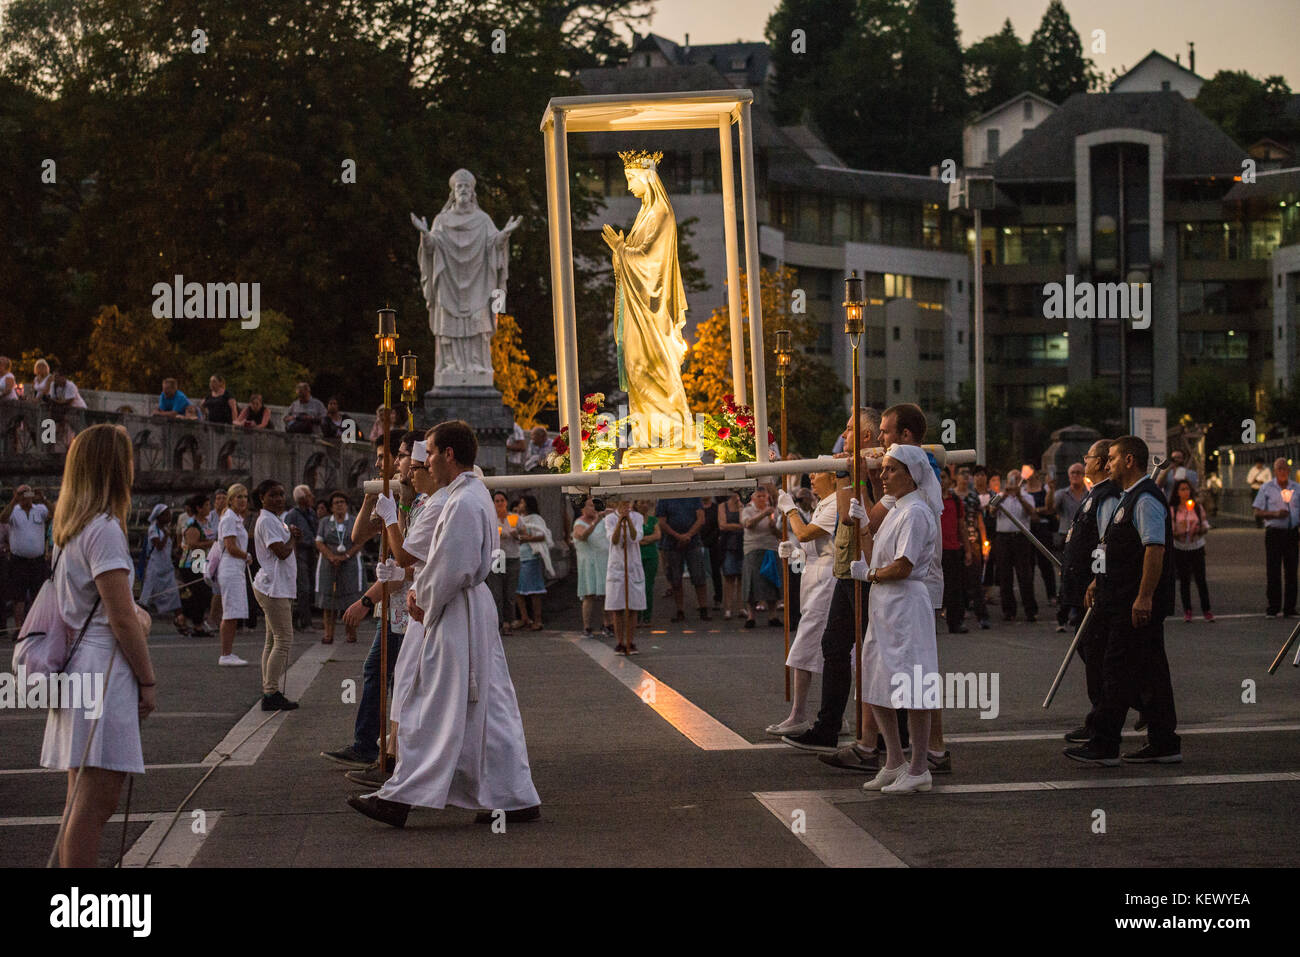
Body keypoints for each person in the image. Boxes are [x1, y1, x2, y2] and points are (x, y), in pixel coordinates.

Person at [348, 420, 540, 828]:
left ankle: (400, 797)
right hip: (464, 608)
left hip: (454, 611)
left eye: (431, 452)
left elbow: (451, 566)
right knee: (490, 707)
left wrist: (423, 597)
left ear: (449, 455)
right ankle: (514, 795)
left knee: (429, 702)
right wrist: (425, 590)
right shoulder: (467, 496)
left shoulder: (463, 502)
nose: (426, 461)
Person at [39, 425, 157, 867]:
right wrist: (148, 679)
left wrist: (133, 615)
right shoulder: (104, 528)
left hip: (79, 667)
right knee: (96, 805)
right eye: (127, 457)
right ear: (112, 466)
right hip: (102, 668)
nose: (133, 466)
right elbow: (122, 617)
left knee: (79, 801)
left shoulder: (70, 527)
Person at [1068, 435, 1180, 765]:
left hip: (1133, 604)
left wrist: (1144, 597)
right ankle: (1164, 741)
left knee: (1115, 671)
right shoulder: (1127, 498)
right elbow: (1112, 546)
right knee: (1152, 673)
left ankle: (1104, 745)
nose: (1108, 464)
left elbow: (1154, 549)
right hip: (1119, 597)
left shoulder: (1145, 499)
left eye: (1113, 458)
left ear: (1129, 460)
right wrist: (1096, 579)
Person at [782, 408, 881, 759]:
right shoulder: (852, 468)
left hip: (864, 567)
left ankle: (880, 735)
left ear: (867, 437)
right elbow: (844, 511)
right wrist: (844, 474)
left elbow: (856, 515)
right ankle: (828, 725)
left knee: (869, 653)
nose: (845, 433)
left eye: (851, 429)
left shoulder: (878, 468)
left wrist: (847, 474)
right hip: (844, 567)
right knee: (834, 648)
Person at [320, 431, 413, 776]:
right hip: (392, 605)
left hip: (406, 604)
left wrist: (364, 599)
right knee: (380, 673)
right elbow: (358, 535)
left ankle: (392, 757)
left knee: (400, 681)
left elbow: (405, 565)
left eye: (386, 457)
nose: (378, 464)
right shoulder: (391, 496)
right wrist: (370, 496)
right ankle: (370, 747)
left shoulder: (411, 499)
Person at [850, 444, 941, 794]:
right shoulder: (897, 511)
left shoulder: (916, 511)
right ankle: (894, 760)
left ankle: (919, 767)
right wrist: (862, 531)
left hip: (905, 604)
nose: (883, 475)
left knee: (913, 684)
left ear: (911, 474)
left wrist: (869, 576)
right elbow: (877, 558)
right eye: (883, 469)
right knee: (875, 680)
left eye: (890, 469)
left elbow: (902, 566)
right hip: (885, 604)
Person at [768, 470, 838, 736]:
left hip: (826, 583)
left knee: (804, 648)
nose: (812, 476)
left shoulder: (835, 504)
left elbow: (807, 533)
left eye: (819, 472)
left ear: (833, 478)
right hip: (813, 579)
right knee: (827, 653)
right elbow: (813, 548)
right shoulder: (823, 504)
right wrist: (794, 552)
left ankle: (798, 714)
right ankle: (833, 714)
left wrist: (789, 510)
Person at [1059, 439, 1120, 744]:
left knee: (1096, 654)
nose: (1086, 461)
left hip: (1093, 591)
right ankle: (1104, 712)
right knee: (1090, 651)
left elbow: (1106, 542)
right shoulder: (1092, 494)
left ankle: (1103, 719)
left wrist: (1097, 576)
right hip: (1080, 587)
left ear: (1103, 461)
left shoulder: (1108, 497)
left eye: (1090, 456)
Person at [252, 480, 302, 709]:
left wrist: (290, 534)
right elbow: (281, 552)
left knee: (272, 640)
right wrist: (292, 537)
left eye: (282, 494)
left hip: (275, 585)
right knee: (284, 639)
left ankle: (268, 687)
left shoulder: (274, 520)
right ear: (262, 497)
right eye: (273, 495)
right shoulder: (267, 521)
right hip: (274, 588)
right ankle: (271, 692)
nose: (279, 499)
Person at [1252, 457, 1300, 618]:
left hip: (1292, 532)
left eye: (1285, 469)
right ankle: (1273, 607)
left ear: (1289, 471)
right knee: (1273, 570)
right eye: (1279, 469)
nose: (1282, 472)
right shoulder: (1266, 488)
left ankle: (1290, 607)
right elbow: (1257, 511)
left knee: (1292, 570)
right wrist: (1274, 514)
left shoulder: (1296, 488)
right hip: (1274, 532)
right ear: (1274, 471)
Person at [316, 491, 364, 644]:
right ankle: (328, 634)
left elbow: (360, 541)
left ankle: (351, 633)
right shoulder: (325, 522)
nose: (339, 505)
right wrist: (331, 556)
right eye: (336, 503)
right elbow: (319, 541)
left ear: (347, 505)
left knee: (350, 599)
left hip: (349, 564)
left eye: (342, 502)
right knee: (328, 601)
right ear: (331, 507)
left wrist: (346, 556)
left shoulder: (355, 520)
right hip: (329, 564)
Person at [657, 495, 711, 623]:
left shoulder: (694, 496)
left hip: (693, 542)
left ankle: (703, 607)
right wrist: (677, 536)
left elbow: (701, 519)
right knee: (676, 578)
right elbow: (662, 522)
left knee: (699, 576)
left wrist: (688, 535)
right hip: (672, 543)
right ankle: (680, 610)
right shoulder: (664, 498)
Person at [3, 484, 49, 631]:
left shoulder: (40, 509)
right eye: (23, 494)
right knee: (19, 597)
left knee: (39, 595)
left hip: (37, 561)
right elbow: (3, 518)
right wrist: (14, 500)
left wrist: (44, 499)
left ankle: (38, 626)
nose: (26, 497)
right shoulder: (14, 511)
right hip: (19, 561)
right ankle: (19, 629)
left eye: (27, 493)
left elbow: (55, 514)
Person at [215, 485, 253, 666]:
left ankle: (228, 652)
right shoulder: (229, 518)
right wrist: (246, 555)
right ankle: (225, 653)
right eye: (238, 497)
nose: (243, 500)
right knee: (230, 611)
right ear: (230, 499)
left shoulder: (235, 518)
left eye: (245, 497)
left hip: (236, 567)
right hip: (231, 566)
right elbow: (230, 546)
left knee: (234, 611)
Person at [994, 470, 1038, 622]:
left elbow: (1031, 513)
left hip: (1021, 538)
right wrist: (1004, 495)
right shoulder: (1000, 496)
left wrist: (1019, 496)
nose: (1014, 482)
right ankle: (1008, 610)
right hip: (1003, 538)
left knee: (1024, 575)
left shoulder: (1027, 496)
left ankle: (1030, 609)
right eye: (1011, 479)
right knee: (1005, 575)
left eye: (1017, 479)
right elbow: (992, 511)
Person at [605, 498, 646, 655]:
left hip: (632, 564)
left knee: (633, 606)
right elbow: (614, 540)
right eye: (622, 503)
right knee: (617, 606)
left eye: (627, 503)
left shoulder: (637, 517)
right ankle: (619, 641)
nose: (625, 506)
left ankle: (631, 640)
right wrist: (619, 522)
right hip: (617, 565)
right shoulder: (609, 519)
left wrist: (628, 520)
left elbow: (636, 537)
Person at [138, 503, 187, 632]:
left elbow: (167, 549)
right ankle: (138, 622)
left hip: (166, 568)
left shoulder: (165, 529)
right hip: (155, 569)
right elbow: (158, 546)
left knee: (174, 594)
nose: (169, 516)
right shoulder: (153, 529)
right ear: (159, 516)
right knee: (146, 598)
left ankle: (180, 620)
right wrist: (166, 535)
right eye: (166, 514)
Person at [1170, 479, 1213, 623]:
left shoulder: (1196, 507)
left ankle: (1206, 609)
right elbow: (1170, 530)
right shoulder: (1173, 509)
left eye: (1187, 489)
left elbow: (1205, 523)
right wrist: (1178, 532)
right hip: (1180, 548)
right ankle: (1187, 610)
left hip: (1196, 546)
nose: (1185, 492)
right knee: (1184, 580)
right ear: (1177, 492)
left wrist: (1201, 530)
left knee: (1201, 579)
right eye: (1182, 489)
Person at [1053, 463, 1089, 632]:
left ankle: (1077, 613)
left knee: (1081, 577)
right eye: (1073, 472)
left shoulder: (1089, 494)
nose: (1076, 475)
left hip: (1083, 540)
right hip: (1065, 537)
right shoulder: (1062, 494)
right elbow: (1050, 509)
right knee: (1065, 577)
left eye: (1079, 472)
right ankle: (1062, 616)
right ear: (1068, 475)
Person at [176, 494, 217, 640]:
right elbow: (192, 544)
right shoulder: (192, 525)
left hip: (202, 561)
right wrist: (211, 544)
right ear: (199, 508)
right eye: (206, 505)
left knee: (202, 594)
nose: (209, 508)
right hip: (192, 562)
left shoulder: (207, 522)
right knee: (200, 593)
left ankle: (188, 620)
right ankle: (194, 623)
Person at [572, 496, 613, 638]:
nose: (593, 508)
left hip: (602, 561)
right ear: (583, 508)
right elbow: (581, 536)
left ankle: (607, 624)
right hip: (588, 564)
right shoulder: (579, 523)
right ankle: (587, 626)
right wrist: (596, 521)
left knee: (605, 594)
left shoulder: (603, 521)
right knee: (589, 595)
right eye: (590, 505)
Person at [739, 488, 780, 627]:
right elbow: (748, 524)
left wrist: (773, 526)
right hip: (753, 548)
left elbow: (779, 532)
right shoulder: (748, 510)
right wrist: (763, 514)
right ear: (753, 498)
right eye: (759, 496)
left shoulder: (773, 511)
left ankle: (772, 614)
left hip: (770, 547)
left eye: (764, 496)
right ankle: (751, 616)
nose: (762, 499)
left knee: (771, 581)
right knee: (751, 581)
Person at [938, 468, 971, 634]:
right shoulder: (930, 499)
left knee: (954, 588)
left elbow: (962, 525)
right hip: (935, 551)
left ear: (950, 481)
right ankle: (931, 625)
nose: (941, 481)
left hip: (952, 549)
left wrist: (967, 550)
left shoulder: (955, 500)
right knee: (932, 588)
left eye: (944, 477)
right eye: (938, 477)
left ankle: (955, 622)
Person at [956, 467, 990, 629]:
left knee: (975, 580)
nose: (964, 478)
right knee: (958, 581)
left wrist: (984, 542)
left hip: (972, 539)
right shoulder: (951, 496)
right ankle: (958, 615)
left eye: (966, 476)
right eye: (961, 475)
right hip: (956, 542)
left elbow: (979, 520)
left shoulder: (973, 496)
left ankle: (982, 615)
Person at [283, 485, 318, 631]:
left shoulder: (311, 513)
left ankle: (302, 618)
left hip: (311, 551)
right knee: (303, 588)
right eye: (309, 495)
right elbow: (287, 535)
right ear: (302, 499)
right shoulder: (292, 515)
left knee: (310, 588)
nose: (312, 498)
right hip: (299, 552)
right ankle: (305, 622)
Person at [514, 495, 550, 629]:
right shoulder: (518, 519)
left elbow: (543, 535)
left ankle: (537, 619)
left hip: (531, 557)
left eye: (522, 502)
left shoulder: (536, 519)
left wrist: (526, 538)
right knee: (518, 590)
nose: (520, 504)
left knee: (534, 590)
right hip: (519, 556)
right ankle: (524, 617)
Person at [488, 491, 521, 633]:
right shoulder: (490, 519)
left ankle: (509, 621)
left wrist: (516, 535)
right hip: (497, 556)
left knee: (510, 593)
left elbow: (525, 534)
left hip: (512, 556)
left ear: (506, 502)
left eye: (502, 500)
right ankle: (499, 622)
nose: (500, 503)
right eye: (497, 501)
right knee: (497, 593)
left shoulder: (514, 518)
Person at [1025, 468, 1057, 605]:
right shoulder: (1022, 490)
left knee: (1045, 563)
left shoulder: (1044, 488)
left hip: (1042, 528)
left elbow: (1049, 508)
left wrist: (1035, 511)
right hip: (1027, 528)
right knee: (1028, 564)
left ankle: (1052, 595)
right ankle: (1028, 596)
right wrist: (1036, 511)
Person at [716, 492, 745, 620]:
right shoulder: (722, 506)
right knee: (729, 578)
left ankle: (741, 607)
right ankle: (728, 608)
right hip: (728, 545)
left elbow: (744, 522)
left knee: (741, 578)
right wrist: (738, 526)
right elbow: (722, 525)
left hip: (742, 544)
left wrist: (740, 509)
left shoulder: (743, 506)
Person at [635, 499, 662, 624]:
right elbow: (633, 538)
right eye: (642, 503)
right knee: (637, 586)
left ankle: (647, 616)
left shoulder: (652, 520)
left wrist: (644, 539)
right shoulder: (633, 520)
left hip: (651, 556)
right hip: (637, 556)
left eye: (647, 503)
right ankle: (637, 616)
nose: (645, 506)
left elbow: (658, 535)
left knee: (648, 586)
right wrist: (647, 539)